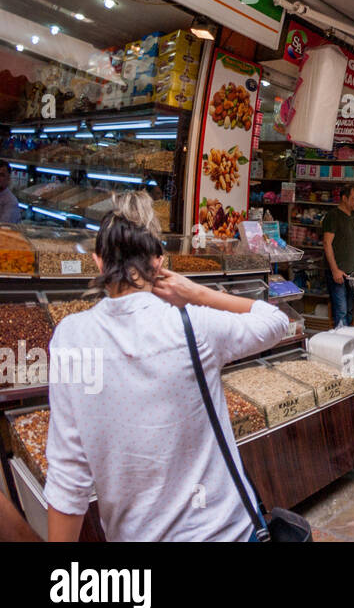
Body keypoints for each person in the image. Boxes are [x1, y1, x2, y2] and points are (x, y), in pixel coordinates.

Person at [45, 192, 289, 541]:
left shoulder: (70, 337)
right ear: (159, 262)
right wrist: (195, 293)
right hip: (225, 532)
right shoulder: (192, 325)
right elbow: (275, 320)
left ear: (99, 262)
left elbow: (69, 476)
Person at [322, 185, 354, 329]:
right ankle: (340, 345)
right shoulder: (333, 216)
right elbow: (327, 244)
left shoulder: (352, 218)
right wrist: (334, 270)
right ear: (344, 198)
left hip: (351, 274)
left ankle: (348, 343)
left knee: (350, 311)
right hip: (338, 273)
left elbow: (353, 245)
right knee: (341, 312)